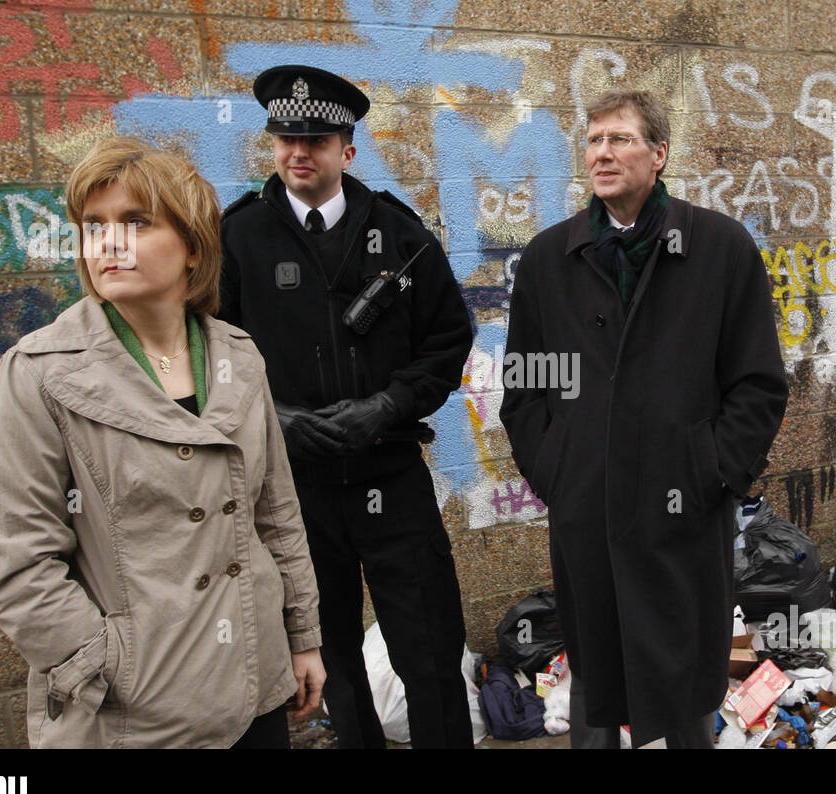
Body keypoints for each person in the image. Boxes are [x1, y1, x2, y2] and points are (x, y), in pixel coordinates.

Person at [0, 136, 325, 748]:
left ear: (192, 247)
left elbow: (276, 513)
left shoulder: (239, 358)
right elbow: (18, 565)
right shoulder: (40, 372)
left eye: (137, 222)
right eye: (94, 224)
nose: (109, 242)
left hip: (253, 680)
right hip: (137, 713)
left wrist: (301, 637)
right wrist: (107, 666)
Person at [500, 89, 789, 748]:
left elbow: (758, 383)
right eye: (595, 140)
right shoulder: (551, 259)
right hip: (588, 511)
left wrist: (711, 469)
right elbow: (526, 385)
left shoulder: (718, 248)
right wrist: (558, 470)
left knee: (686, 681)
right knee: (597, 681)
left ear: (658, 154)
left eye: (621, 139)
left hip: (684, 510)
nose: (603, 152)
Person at [219, 66, 474, 748]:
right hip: (293, 491)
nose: (299, 151)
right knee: (329, 661)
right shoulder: (237, 239)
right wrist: (273, 419)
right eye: (285, 138)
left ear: (347, 149)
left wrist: (389, 405)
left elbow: (448, 341)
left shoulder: (399, 234)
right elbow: (209, 356)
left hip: (390, 477)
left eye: (317, 139)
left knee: (430, 653)